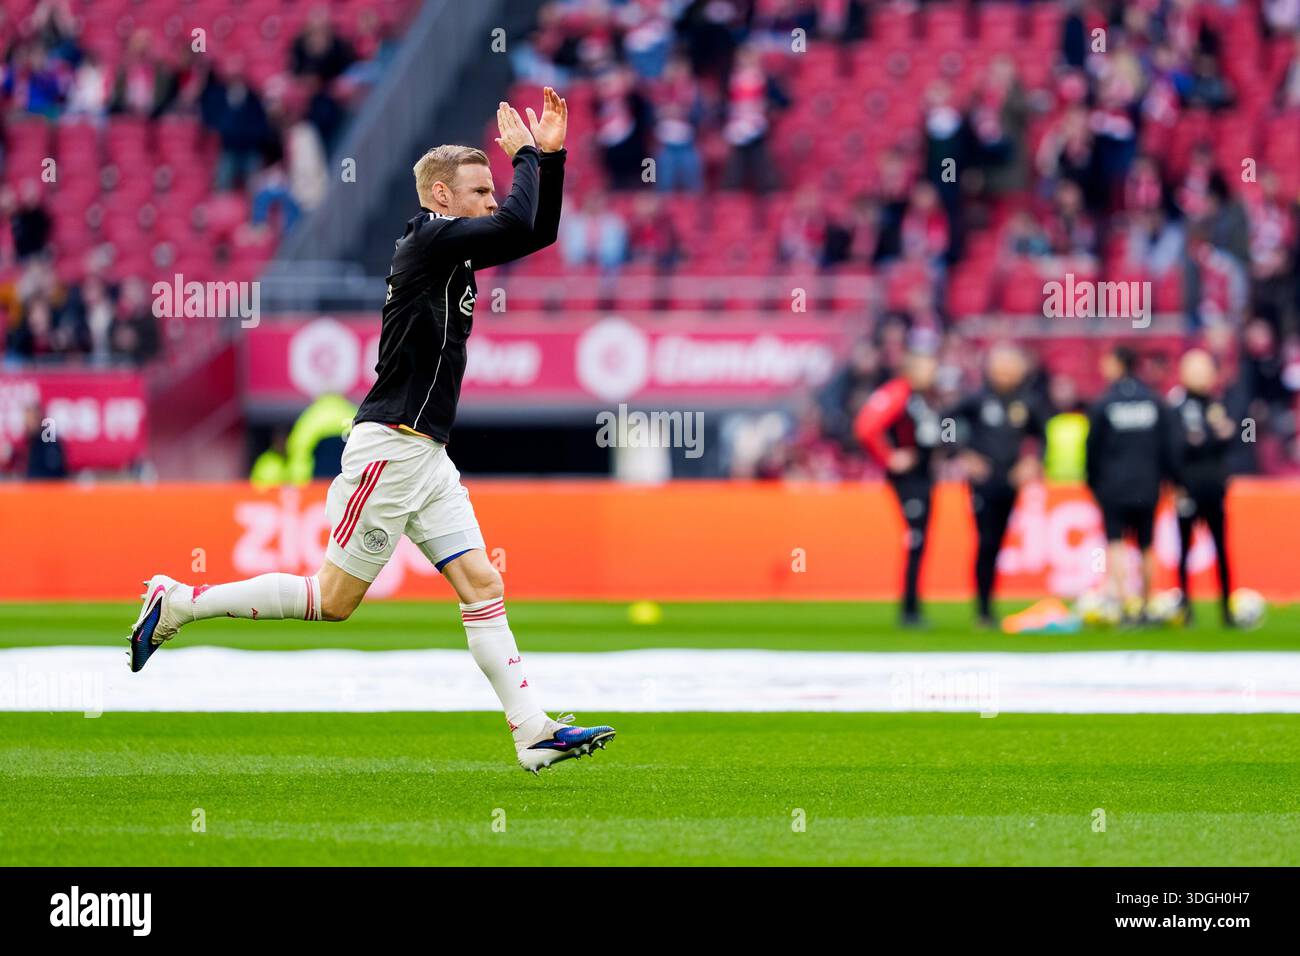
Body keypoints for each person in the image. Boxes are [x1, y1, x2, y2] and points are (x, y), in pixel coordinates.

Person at [129, 90, 615, 773]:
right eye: (479, 190)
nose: (490, 199)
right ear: (442, 194)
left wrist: (553, 157)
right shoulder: (430, 240)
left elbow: (534, 231)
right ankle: (180, 600)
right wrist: (528, 154)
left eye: (492, 188)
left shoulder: (451, 252)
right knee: (333, 601)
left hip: (427, 455)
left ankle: (531, 732)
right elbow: (513, 225)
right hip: (392, 445)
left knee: (482, 585)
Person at [946, 345, 1047, 627]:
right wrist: (962, 454)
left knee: (999, 541)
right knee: (986, 541)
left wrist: (1033, 461)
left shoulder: (1027, 401)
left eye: (1011, 369)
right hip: (983, 480)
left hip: (1011, 479)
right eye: (1002, 368)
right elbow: (946, 420)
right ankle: (983, 608)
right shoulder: (978, 399)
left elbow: (1044, 436)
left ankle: (989, 603)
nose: (1006, 374)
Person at [1085, 346, 1180, 623]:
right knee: (1147, 544)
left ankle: (1125, 603)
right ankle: (1148, 603)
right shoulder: (1154, 401)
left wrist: (1092, 482)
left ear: (1117, 364)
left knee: (1115, 542)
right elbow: (1168, 446)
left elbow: (1092, 448)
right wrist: (1170, 479)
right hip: (1147, 484)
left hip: (1113, 485)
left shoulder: (1105, 402)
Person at [854, 348, 943, 627]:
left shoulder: (921, 398)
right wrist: (888, 457)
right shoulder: (897, 393)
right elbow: (866, 427)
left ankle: (913, 606)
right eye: (928, 367)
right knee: (914, 539)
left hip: (923, 476)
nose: (933, 373)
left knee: (919, 541)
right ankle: (909, 611)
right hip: (910, 480)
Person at [1170, 349, 1236, 625]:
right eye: (1195, 370)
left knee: (1222, 548)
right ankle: (1185, 607)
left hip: (1214, 487)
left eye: (1204, 370)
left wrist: (1229, 433)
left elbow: (1243, 434)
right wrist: (1175, 484)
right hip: (1188, 487)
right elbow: (1174, 447)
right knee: (1184, 549)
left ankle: (1226, 609)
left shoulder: (1219, 404)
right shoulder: (1176, 406)